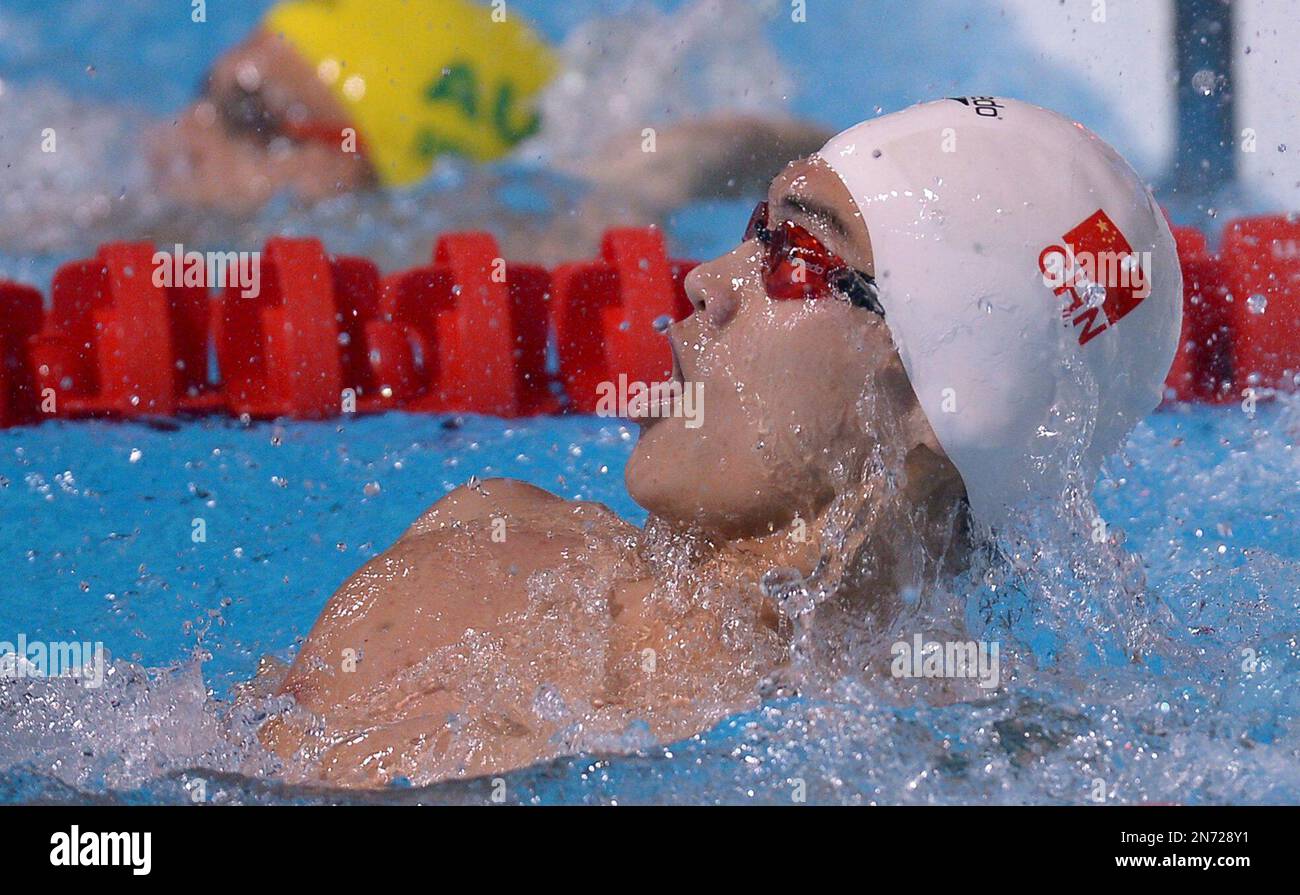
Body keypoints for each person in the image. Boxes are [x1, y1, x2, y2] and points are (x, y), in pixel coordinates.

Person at [256, 98, 1182, 787]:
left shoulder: (982, 767)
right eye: (752, 232)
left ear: (941, 407)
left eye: (795, 258)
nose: (705, 280)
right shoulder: (473, 565)